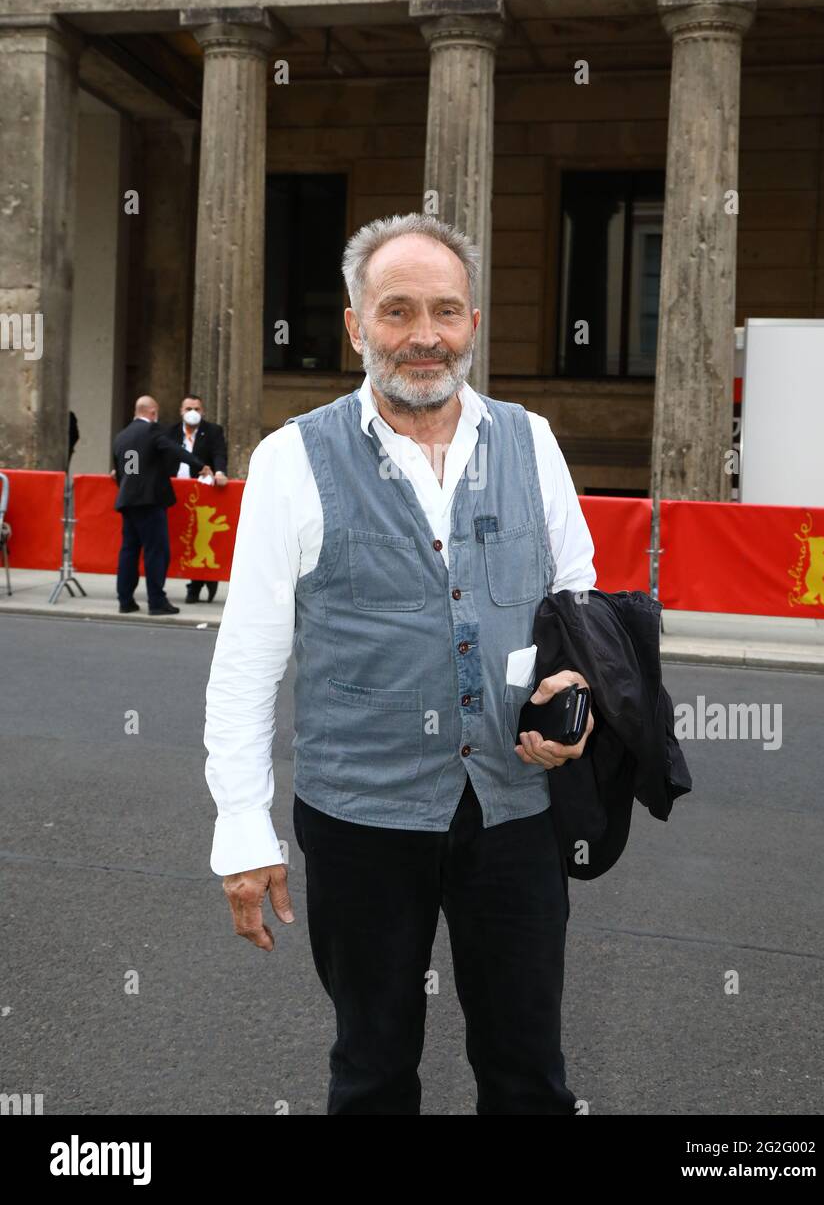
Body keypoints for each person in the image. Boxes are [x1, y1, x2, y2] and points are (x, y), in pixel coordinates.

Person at [203, 213, 597, 1115]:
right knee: (373, 1071)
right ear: (355, 326)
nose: (425, 336)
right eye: (397, 311)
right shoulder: (290, 460)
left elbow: (577, 600)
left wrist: (576, 690)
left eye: (446, 311)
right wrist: (242, 832)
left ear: (475, 323)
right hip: (360, 821)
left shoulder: (532, 441)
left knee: (529, 1072)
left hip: (514, 812)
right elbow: (247, 660)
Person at [112, 395, 212, 616]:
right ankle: (156, 601)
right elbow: (175, 450)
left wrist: (128, 488)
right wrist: (200, 465)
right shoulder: (152, 432)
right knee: (156, 551)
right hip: (149, 501)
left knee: (128, 551)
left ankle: (125, 600)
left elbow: (125, 470)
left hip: (128, 500)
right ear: (152, 412)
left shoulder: (122, 436)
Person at [166, 395, 229, 604]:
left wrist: (219, 472)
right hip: (174, 493)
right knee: (179, 539)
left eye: (196, 408)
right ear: (181, 411)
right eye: (188, 408)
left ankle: (196, 586)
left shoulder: (213, 431)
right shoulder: (170, 432)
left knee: (199, 540)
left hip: (201, 495)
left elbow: (219, 454)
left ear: (202, 411)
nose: (192, 411)